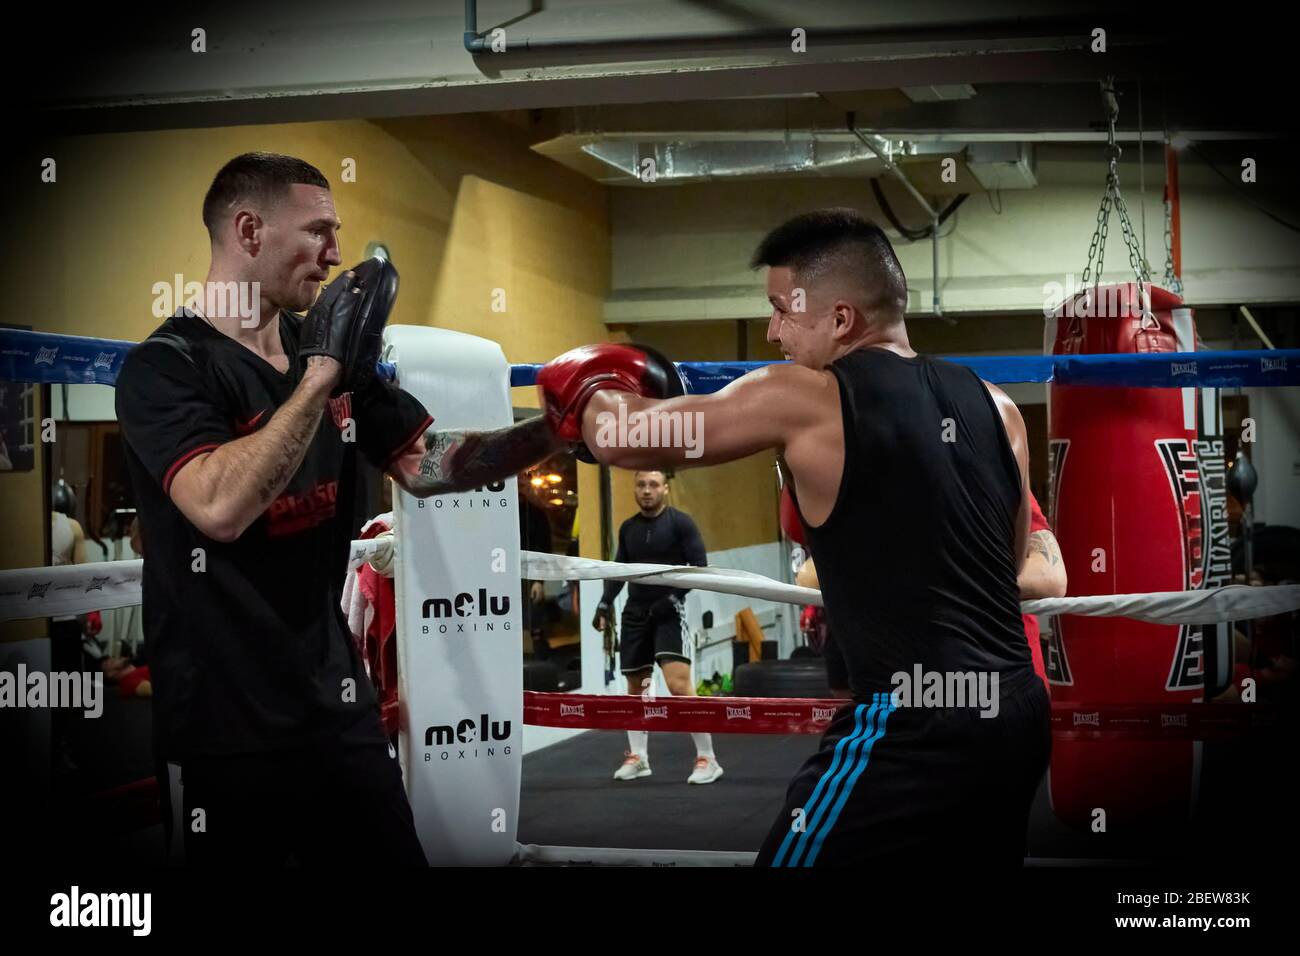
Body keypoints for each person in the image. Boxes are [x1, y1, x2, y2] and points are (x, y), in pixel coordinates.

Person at [538, 208, 1050, 866]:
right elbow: (1004, 562)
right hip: (1014, 710)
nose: (773, 330)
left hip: (914, 724)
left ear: (840, 319)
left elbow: (621, 437)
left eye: (782, 309)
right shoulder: (998, 406)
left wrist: (596, 382)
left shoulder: (802, 396)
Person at [116, 152, 563, 866]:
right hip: (228, 729)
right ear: (249, 231)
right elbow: (221, 507)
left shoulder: (325, 355)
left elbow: (429, 462)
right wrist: (320, 376)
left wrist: (557, 432)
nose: (335, 255)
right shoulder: (167, 368)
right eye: (317, 232)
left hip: (335, 706)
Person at [591, 470, 722, 784]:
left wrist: (673, 597)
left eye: (653, 485)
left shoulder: (680, 523)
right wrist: (605, 604)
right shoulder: (628, 528)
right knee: (636, 689)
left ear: (665, 488)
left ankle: (708, 758)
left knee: (678, 686)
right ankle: (639, 758)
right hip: (635, 612)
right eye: (641, 485)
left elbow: (699, 567)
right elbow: (619, 569)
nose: (646, 491)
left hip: (668, 612)